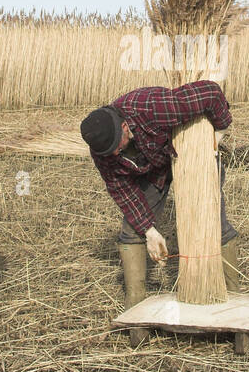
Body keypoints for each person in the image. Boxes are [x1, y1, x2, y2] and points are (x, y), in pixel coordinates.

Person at [80, 80, 240, 330]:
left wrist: (219, 132)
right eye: (107, 153)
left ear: (124, 127)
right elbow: (122, 190)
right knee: (131, 231)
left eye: (115, 148)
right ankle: (135, 309)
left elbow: (211, 93)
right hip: (154, 170)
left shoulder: (151, 108)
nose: (112, 155)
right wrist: (150, 231)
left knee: (213, 221)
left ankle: (234, 297)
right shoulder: (102, 149)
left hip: (193, 153)